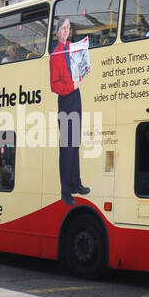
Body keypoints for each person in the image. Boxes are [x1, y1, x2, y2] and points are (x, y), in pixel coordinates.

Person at [49, 15, 89, 205]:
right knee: (66, 147)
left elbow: (78, 68)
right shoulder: (55, 54)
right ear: (57, 32)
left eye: (68, 27)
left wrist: (85, 69)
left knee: (75, 144)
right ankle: (66, 192)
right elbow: (54, 85)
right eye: (63, 28)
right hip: (66, 99)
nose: (66, 30)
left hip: (76, 97)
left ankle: (76, 183)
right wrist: (71, 87)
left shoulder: (73, 48)